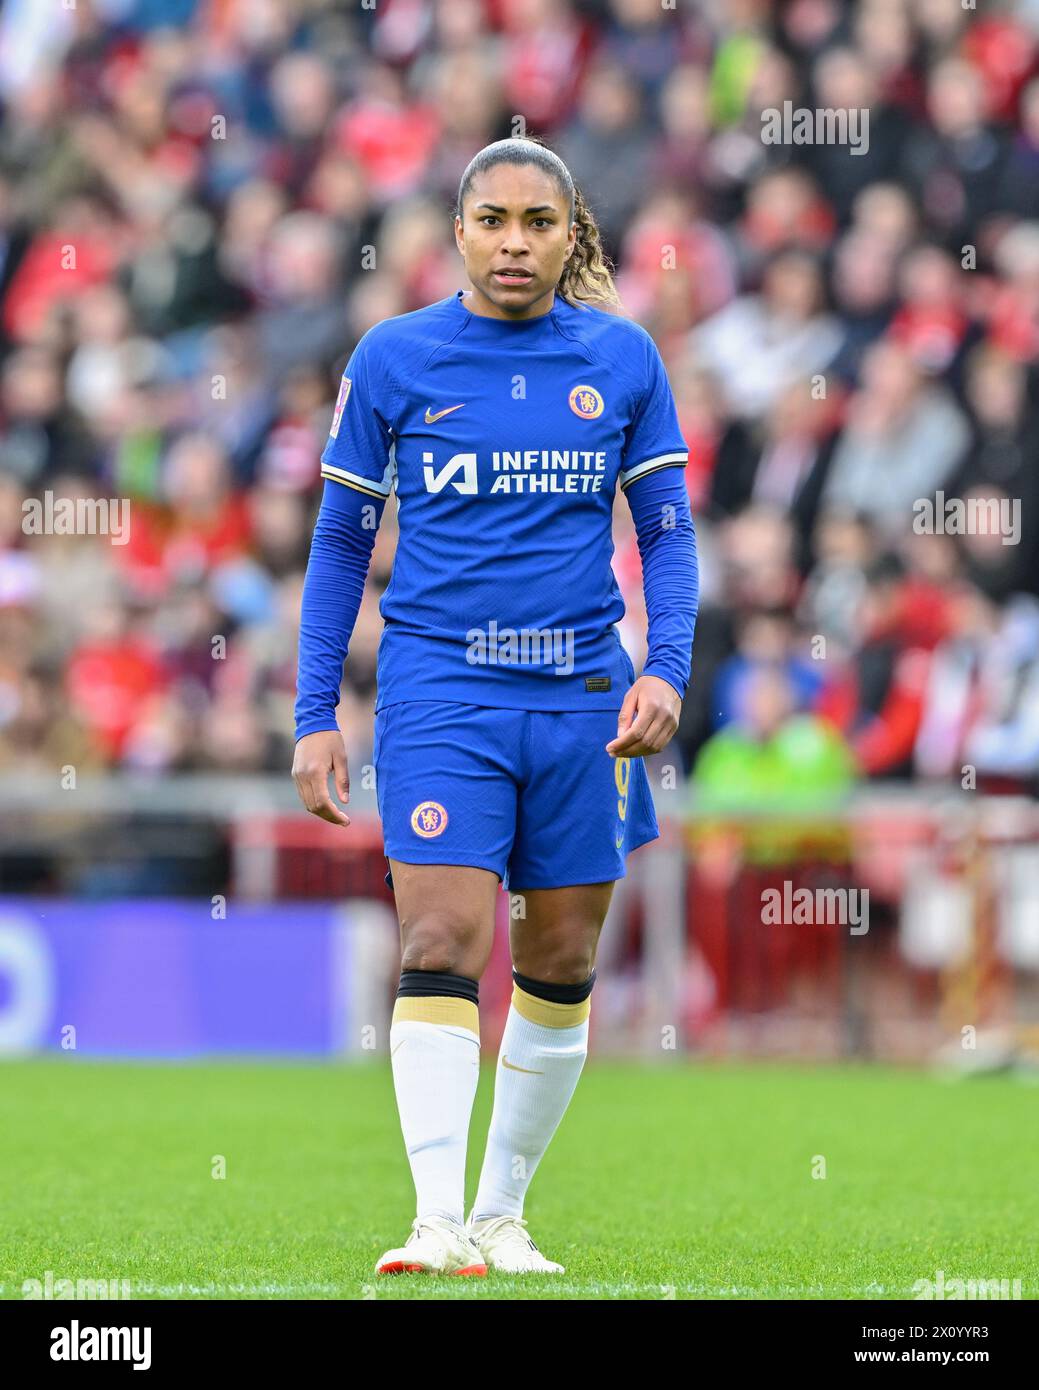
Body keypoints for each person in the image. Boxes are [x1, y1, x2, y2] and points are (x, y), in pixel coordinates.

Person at [292, 136, 699, 1277]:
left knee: (560, 955)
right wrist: (313, 710)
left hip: (582, 693)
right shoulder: (393, 356)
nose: (513, 242)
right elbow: (339, 542)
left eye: (536, 222)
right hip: (439, 684)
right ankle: (432, 1219)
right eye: (491, 221)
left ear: (572, 235)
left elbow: (666, 535)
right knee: (438, 935)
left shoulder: (621, 359)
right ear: (456, 230)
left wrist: (666, 667)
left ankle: (501, 1212)